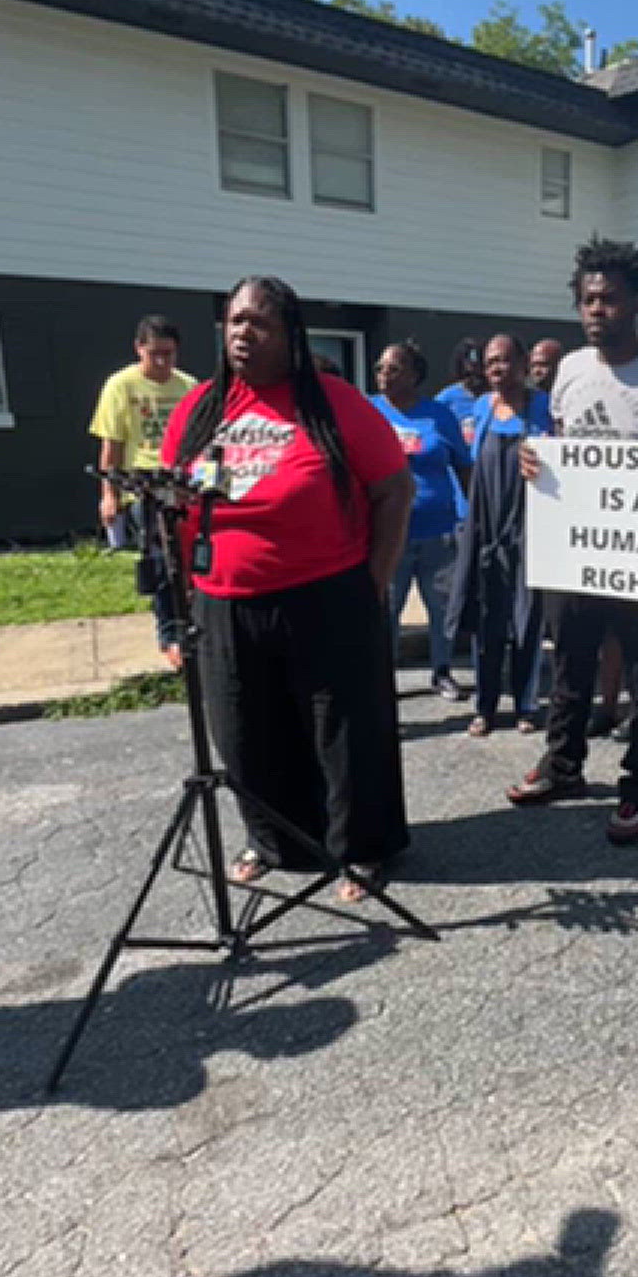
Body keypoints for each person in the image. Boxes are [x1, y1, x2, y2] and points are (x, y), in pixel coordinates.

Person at [163, 276, 412, 899]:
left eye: (259, 323)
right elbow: (173, 499)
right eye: (234, 321)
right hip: (224, 598)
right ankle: (278, 842)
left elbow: (393, 490)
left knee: (344, 730)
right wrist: (180, 599)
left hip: (325, 594)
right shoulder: (201, 409)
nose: (242, 333)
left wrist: (375, 579)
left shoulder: (332, 402)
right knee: (246, 729)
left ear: (290, 335)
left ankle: (362, 848)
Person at [507, 236, 638, 845]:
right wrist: (531, 461)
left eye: (610, 300)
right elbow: (562, 453)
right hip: (578, 554)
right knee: (569, 667)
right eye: (588, 300)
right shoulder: (568, 367)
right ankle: (562, 767)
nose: (597, 311)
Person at [447, 333, 551, 735]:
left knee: (527, 617)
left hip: (530, 524)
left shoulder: (543, 407)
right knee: (486, 615)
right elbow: (471, 468)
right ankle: (485, 706)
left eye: (505, 361)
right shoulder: (480, 408)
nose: (497, 369)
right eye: (491, 363)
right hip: (486, 522)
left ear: (523, 363)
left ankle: (526, 704)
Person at [89, 315, 195, 670]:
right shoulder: (121, 386)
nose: (163, 363)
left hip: (181, 486)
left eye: (169, 354)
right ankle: (170, 635)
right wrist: (110, 495)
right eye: (155, 355)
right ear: (139, 349)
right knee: (162, 566)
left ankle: (192, 623)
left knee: (192, 563)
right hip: (143, 489)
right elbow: (112, 446)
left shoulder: (188, 386)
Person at [372, 340, 472, 701]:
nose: (384, 375)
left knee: (442, 609)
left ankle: (442, 672)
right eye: (380, 368)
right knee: (387, 610)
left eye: (394, 369)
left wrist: (473, 513)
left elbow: (462, 464)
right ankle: (384, 678)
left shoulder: (438, 415)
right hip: (388, 533)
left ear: (414, 376)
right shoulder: (369, 411)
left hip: (439, 531)